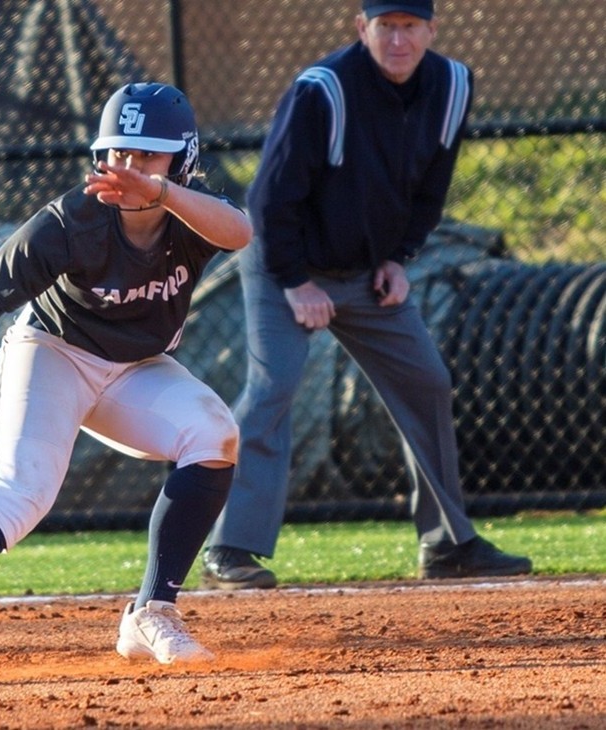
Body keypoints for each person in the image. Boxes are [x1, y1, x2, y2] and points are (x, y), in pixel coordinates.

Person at [0, 82, 252, 685]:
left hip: (136, 368)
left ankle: (151, 613)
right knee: (20, 496)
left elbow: (241, 233)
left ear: (181, 160)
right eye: (119, 155)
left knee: (215, 434)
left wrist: (162, 192)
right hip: (52, 353)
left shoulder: (190, 213)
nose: (130, 170)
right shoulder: (71, 221)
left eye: (149, 156)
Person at [201, 0, 532, 590]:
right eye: (386, 26)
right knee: (273, 386)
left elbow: (431, 187)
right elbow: (270, 201)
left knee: (426, 381)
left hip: (366, 270)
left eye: (410, 26)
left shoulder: (452, 84)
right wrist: (295, 282)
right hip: (285, 259)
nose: (399, 39)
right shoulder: (322, 90)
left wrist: (397, 258)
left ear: (432, 30)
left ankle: (448, 545)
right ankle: (230, 547)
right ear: (362, 29)